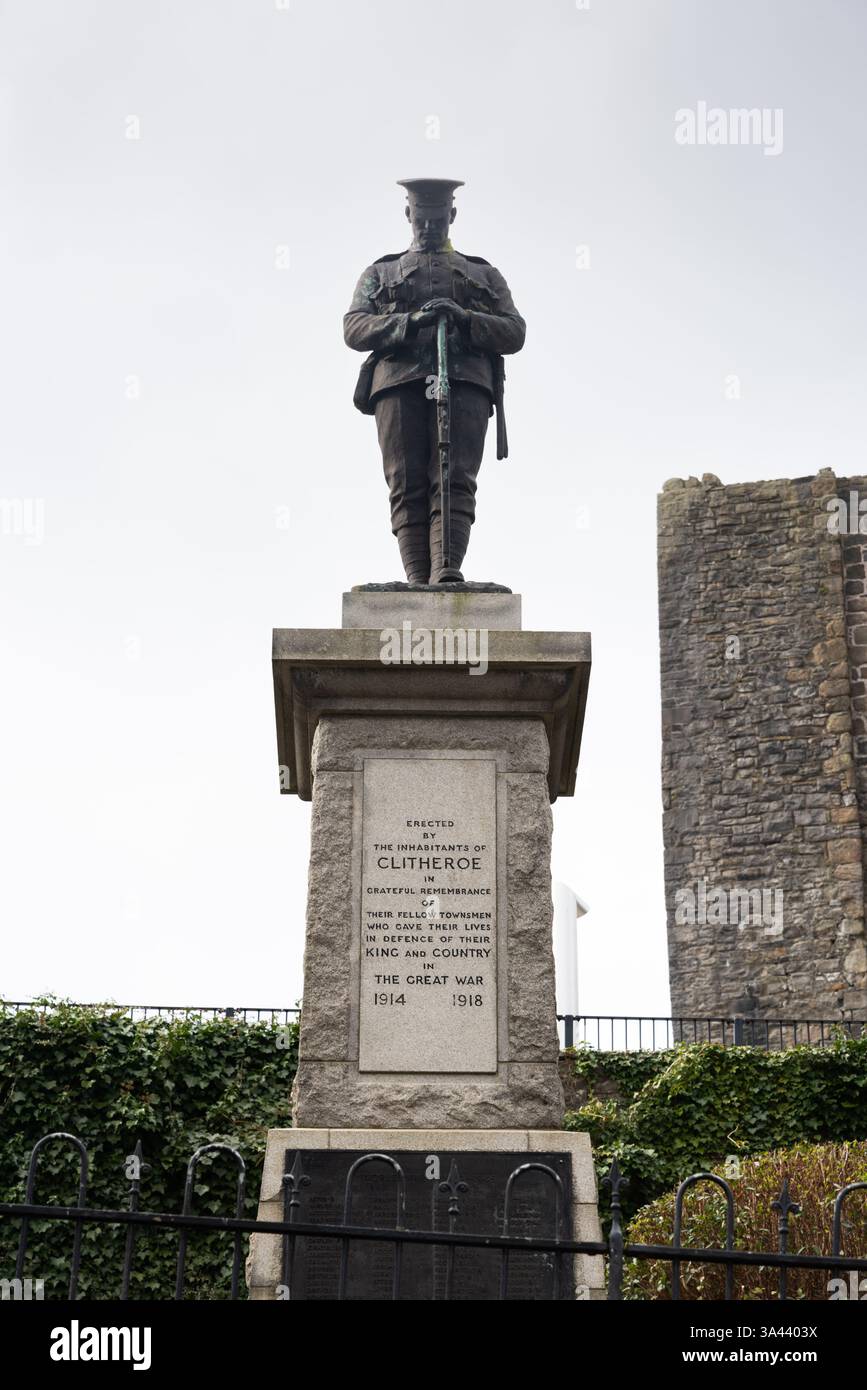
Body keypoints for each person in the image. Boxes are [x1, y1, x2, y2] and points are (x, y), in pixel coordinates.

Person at [344, 178, 526, 583]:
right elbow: (354, 328)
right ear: (409, 215)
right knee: (404, 481)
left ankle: (447, 570)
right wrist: (409, 322)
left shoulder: (483, 273)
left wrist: (466, 319)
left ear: (452, 216)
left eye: (437, 221)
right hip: (397, 381)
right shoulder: (381, 271)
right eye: (422, 221)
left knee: (455, 477)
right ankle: (416, 579)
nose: (428, 229)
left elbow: (515, 331)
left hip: (465, 381)